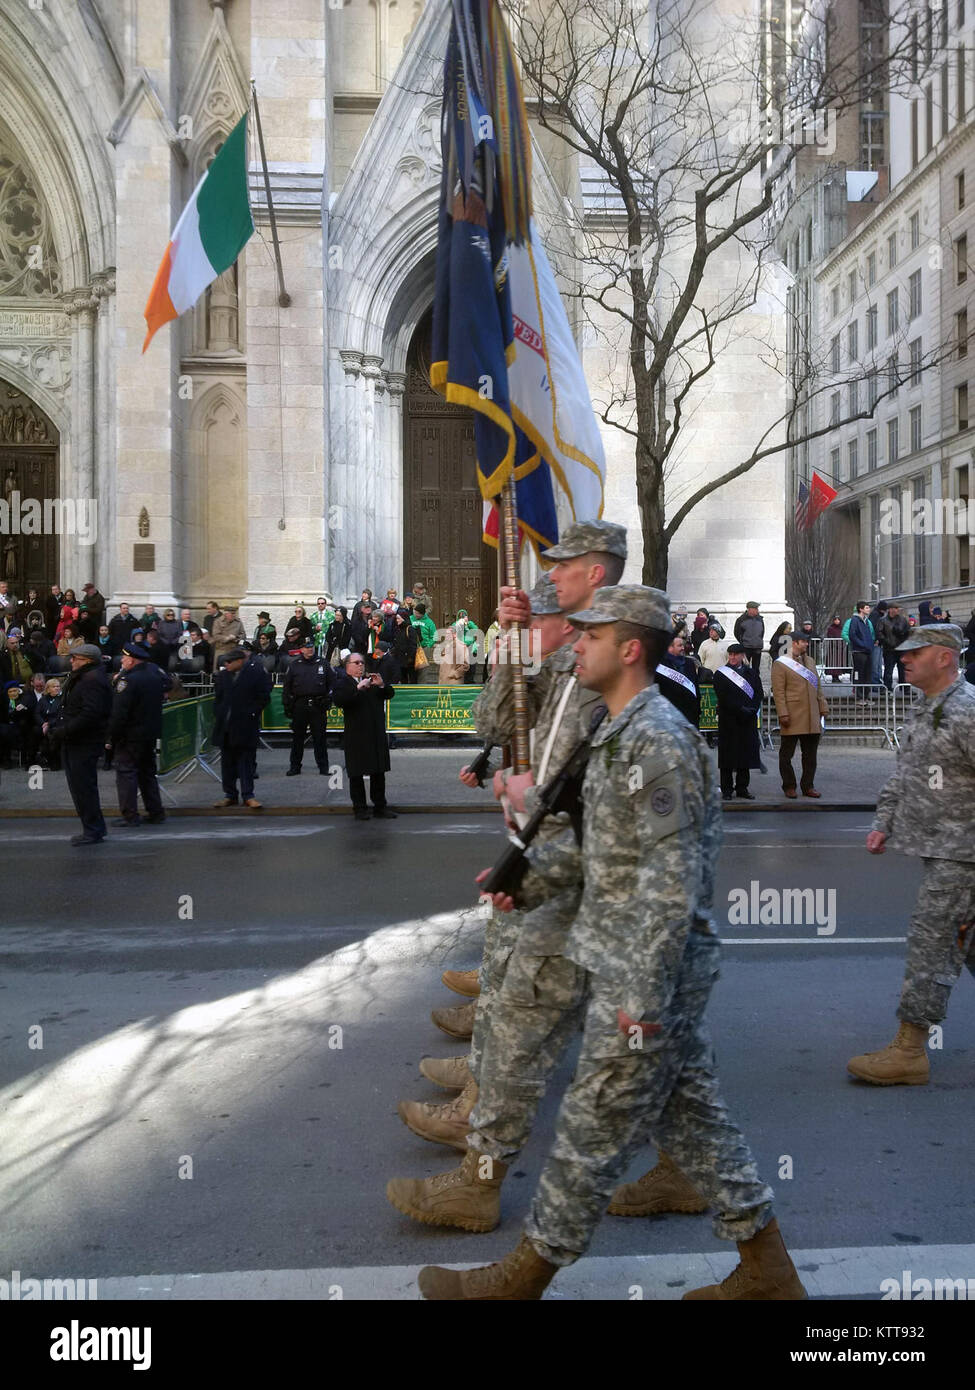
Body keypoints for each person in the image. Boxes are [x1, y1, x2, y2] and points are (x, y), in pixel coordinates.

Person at [413, 586, 803, 1302]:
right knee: (698, 1126)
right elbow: (601, 847)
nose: (575, 646)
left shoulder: (656, 741)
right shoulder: (614, 730)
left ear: (627, 651)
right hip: (631, 962)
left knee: (585, 1140)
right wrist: (528, 881)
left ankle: (519, 1278)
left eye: (589, 637)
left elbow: (670, 885)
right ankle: (768, 1270)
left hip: (643, 974)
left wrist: (639, 1004)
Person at [848, 624, 975, 1085]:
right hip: (940, 846)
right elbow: (907, 773)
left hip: (962, 853)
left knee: (931, 944)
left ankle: (909, 1050)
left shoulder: (966, 709)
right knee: (966, 945)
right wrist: (884, 821)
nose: (904, 658)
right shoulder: (926, 707)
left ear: (944, 657)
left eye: (915, 652)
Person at [48, 643, 112, 845]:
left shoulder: (92, 680)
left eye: (76, 658)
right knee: (80, 787)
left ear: (88, 661)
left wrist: (65, 730)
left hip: (83, 742)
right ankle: (92, 827)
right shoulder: (84, 677)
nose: (71, 661)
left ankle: (93, 830)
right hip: (75, 740)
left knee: (84, 788)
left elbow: (90, 714)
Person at [106, 641, 170, 827]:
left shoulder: (127, 680)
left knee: (126, 774)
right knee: (147, 773)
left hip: (130, 735)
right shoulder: (154, 673)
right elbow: (168, 683)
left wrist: (111, 736)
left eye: (124, 658)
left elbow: (120, 713)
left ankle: (130, 815)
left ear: (132, 660)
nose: (122, 661)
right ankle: (155, 811)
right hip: (149, 733)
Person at [330, 651, 395, 820]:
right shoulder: (343, 682)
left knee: (378, 772)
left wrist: (381, 685)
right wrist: (358, 688)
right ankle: (359, 808)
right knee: (356, 773)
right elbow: (340, 700)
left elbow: (389, 694)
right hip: (356, 735)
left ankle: (380, 807)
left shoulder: (371, 681)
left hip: (375, 733)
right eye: (356, 663)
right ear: (347, 666)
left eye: (362, 663)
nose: (360, 666)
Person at [212, 648, 272, 809]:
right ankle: (230, 795)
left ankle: (248, 795)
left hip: (245, 725)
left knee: (245, 762)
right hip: (226, 726)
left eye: (229, 662)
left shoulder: (254, 674)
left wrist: (252, 712)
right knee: (227, 764)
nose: (226, 664)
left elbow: (264, 696)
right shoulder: (223, 676)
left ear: (239, 661)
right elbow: (218, 698)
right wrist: (219, 712)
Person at [771, 630, 828, 798]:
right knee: (786, 755)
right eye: (804, 641)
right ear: (794, 643)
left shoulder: (810, 661)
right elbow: (779, 692)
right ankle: (789, 785)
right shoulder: (781, 663)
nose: (807, 644)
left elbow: (817, 686)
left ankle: (808, 786)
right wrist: (782, 713)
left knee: (810, 756)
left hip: (812, 715)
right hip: (792, 715)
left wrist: (823, 706)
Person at [713, 643, 763, 799]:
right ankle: (727, 789)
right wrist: (739, 708)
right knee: (727, 757)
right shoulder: (721, 674)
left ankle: (742, 788)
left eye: (735, 654)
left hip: (747, 720)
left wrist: (752, 709)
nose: (732, 657)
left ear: (742, 656)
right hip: (729, 719)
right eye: (730, 654)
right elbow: (723, 696)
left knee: (744, 755)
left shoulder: (751, 673)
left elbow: (758, 693)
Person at [282, 637, 331, 775]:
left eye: (311, 646)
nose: (310, 649)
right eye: (306, 647)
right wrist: (287, 705)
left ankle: (323, 767)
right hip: (300, 705)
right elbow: (287, 687)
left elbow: (332, 683)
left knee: (320, 738)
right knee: (298, 738)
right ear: (301, 649)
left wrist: (328, 699)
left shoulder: (323, 663)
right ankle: (295, 766)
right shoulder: (294, 665)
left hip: (317, 704)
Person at [656, 632, 701, 727]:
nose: (683, 648)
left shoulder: (689, 663)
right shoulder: (661, 666)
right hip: (672, 716)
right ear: (670, 648)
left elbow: (695, 686)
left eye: (683, 645)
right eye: (679, 646)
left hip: (691, 715)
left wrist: (698, 708)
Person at [847, 602, 875, 702]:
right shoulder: (855, 620)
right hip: (859, 651)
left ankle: (866, 696)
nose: (869, 609)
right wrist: (862, 644)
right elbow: (852, 635)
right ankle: (859, 696)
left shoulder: (866, 621)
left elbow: (869, 634)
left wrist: (870, 645)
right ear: (861, 609)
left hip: (867, 651)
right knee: (859, 674)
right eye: (867, 608)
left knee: (868, 674)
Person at [878, 603, 910, 690]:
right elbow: (879, 633)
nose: (896, 610)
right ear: (890, 609)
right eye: (895, 608)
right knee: (889, 669)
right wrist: (887, 642)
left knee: (903, 669)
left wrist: (904, 638)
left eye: (897, 608)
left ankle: (905, 688)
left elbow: (907, 631)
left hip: (901, 648)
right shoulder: (883, 620)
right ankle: (887, 687)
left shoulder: (902, 620)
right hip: (889, 649)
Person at [36, 677, 62, 770]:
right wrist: (43, 723)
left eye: (58, 686)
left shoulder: (62, 699)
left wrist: (48, 724)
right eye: (54, 686)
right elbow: (37, 713)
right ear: (48, 688)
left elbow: (60, 715)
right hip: (43, 724)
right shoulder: (43, 699)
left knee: (52, 733)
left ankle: (53, 761)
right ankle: (33, 760)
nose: (57, 688)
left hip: (56, 724)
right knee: (34, 732)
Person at [733, 600, 764, 672]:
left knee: (756, 669)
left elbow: (762, 632)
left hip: (757, 648)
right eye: (756, 608)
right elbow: (737, 633)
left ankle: (755, 679)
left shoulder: (760, 619)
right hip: (746, 648)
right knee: (745, 668)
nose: (757, 610)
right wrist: (743, 643)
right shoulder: (741, 620)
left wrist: (758, 641)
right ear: (750, 609)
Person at [389, 608, 418, 683]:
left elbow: (413, 645)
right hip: (400, 660)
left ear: (403, 618)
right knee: (403, 680)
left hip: (409, 662)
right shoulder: (398, 629)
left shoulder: (410, 629)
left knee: (412, 680)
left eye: (398, 618)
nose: (397, 620)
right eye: (396, 619)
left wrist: (410, 658)